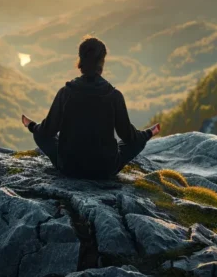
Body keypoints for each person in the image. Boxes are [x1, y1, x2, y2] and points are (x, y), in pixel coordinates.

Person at [22, 36, 161, 180]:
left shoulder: (66, 92)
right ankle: (149, 133)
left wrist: (32, 126)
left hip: (69, 167)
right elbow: (128, 136)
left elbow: (47, 131)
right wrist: (146, 135)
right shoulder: (114, 95)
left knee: (41, 136)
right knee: (135, 142)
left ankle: (33, 127)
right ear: (102, 62)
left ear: (80, 60)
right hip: (105, 169)